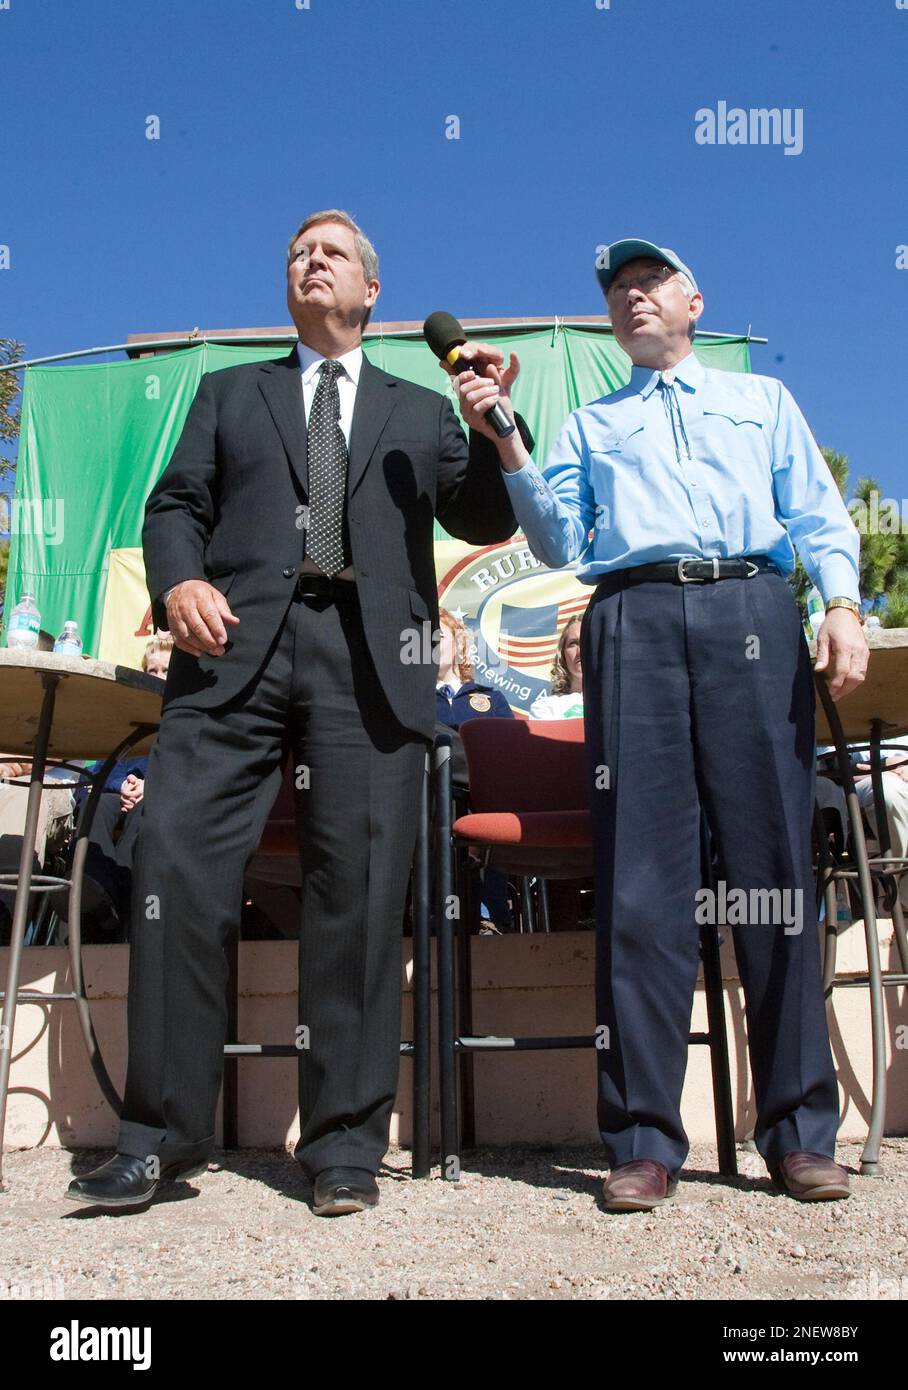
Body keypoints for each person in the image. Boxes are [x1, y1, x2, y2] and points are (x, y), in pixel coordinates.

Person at [65, 209, 531, 1216]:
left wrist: (494, 423)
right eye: (295, 254)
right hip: (230, 650)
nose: (307, 262)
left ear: (370, 293)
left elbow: (483, 517)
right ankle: (160, 1134)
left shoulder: (418, 411)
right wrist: (179, 583)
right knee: (173, 862)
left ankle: (343, 1146)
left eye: (330, 254)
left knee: (357, 898)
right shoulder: (233, 393)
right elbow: (173, 505)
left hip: (367, 664)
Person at [446, 237, 868, 1210]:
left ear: (690, 299)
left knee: (770, 874)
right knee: (639, 881)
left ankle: (797, 1132)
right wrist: (508, 437)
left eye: (648, 283)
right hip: (629, 619)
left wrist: (838, 603)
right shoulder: (592, 424)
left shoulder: (760, 401)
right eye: (616, 290)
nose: (631, 298)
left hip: (751, 611)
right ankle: (640, 1138)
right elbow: (555, 538)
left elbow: (814, 514)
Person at [56, 636, 173, 941]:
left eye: (165, 670)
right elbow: (98, 773)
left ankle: (114, 905)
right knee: (95, 804)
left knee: (146, 814)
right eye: (152, 669)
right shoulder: (128, 721)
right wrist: (122, 785)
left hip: (160, 798)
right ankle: (94, 888)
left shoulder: (186, 721)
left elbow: (193, 770)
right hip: (116, 793)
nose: (157, 676)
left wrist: (151, 787)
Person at [435, 607, 514, 933]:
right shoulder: (410, 703)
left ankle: (488, 916)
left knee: (495, 809)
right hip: (432, 795)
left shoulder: (490, 698)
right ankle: (436, 915)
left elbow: (512, 753)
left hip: (486, 793)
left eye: (439, 636)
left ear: (459, 644)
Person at [529, 615, 584, 720]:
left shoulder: (620, 704)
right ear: (562, 656)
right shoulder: (545, 707)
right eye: (573, 644)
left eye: (587, 641)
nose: (580, 651)